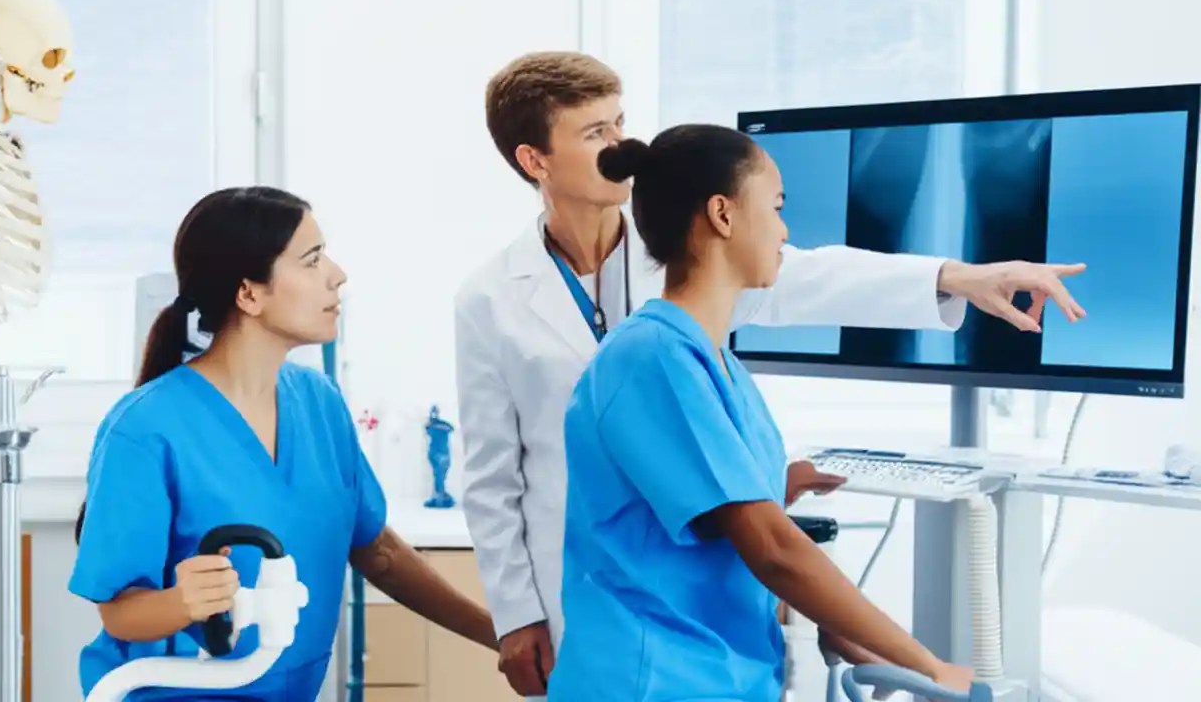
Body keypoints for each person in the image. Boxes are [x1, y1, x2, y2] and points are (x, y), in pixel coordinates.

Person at [454, 51, 1086, 697]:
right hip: (616, 608)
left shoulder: (698, 328)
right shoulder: (511, 304)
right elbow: (492, 475)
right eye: (595, 134)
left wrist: (959, 276)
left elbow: (810, 274)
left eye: (620, 124)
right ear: (535, 160)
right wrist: (516, 614)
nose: (621, 145)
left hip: (700, 618)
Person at [550, 125, 975, 700]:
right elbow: (773, 549)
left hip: (723, 674)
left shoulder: (714, 361)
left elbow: (724, 529)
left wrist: (837, 616)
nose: (784, 230)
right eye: (775, 207)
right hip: (652, 681)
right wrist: (929, 667)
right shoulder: (650, 357)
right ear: (723, 215)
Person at [69, 187, 498, 701]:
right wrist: (183, 602)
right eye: (312, 260)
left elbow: (377, 550)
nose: (337, 274)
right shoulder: (145, 430)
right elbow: (118, 611)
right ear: (249, 293)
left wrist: (501, 636)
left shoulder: (319, 402)